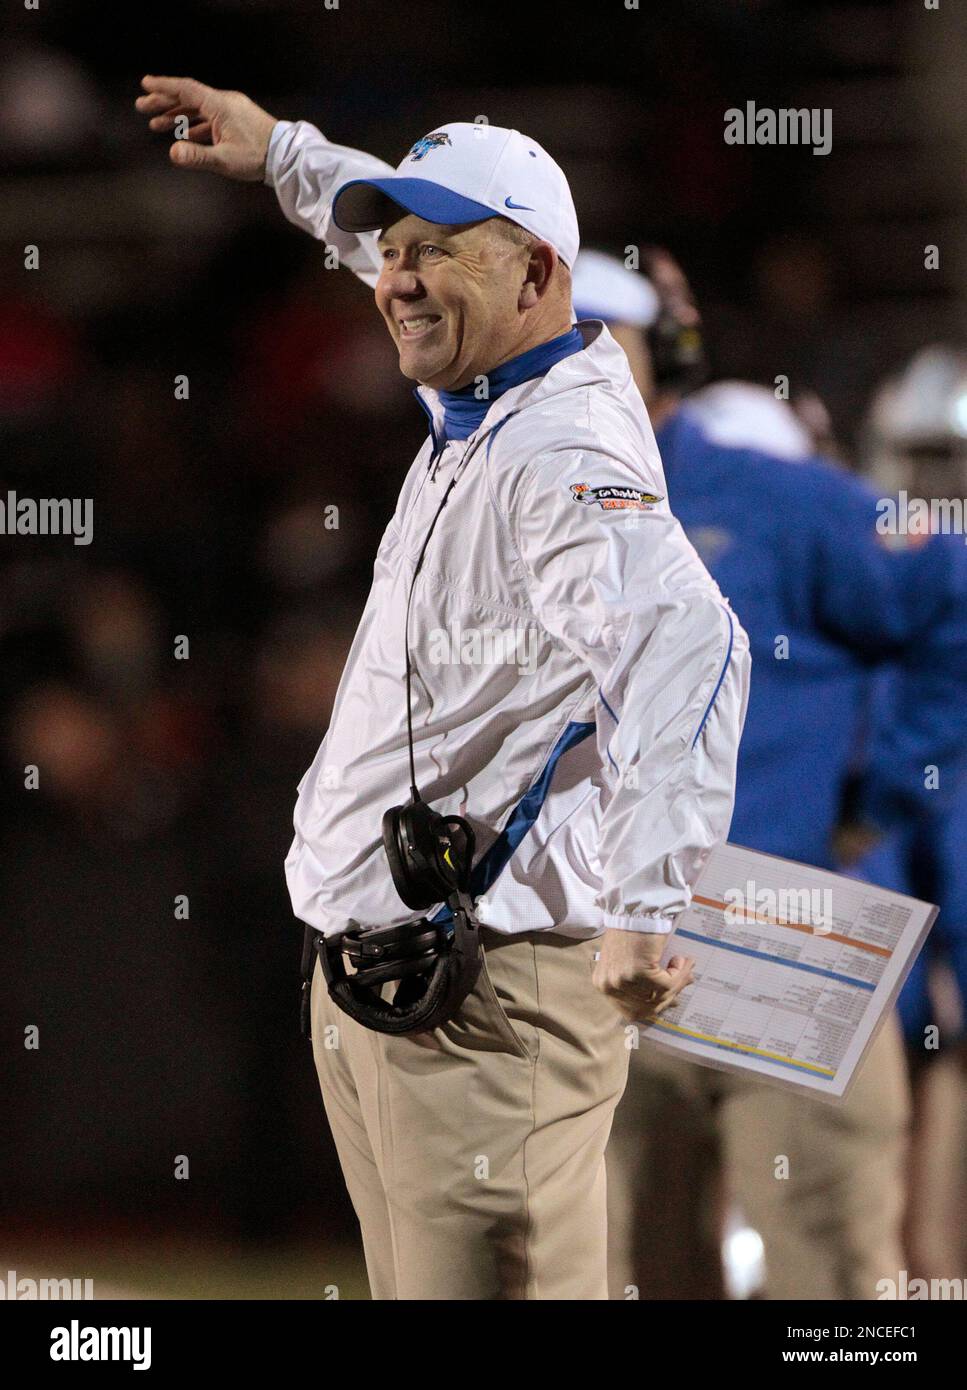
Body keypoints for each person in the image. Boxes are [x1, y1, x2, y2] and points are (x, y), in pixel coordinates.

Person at [135, 77, 751, 1300]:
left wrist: (646, 901)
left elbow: (690, 643)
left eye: (440, 254)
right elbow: (398, 246)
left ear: (538, 278)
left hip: (486, 1004)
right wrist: (284, 158)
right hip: (397, 981)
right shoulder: (490, 391)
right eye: (394, 249)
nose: (399, 278)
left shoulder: (557, 448)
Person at [568, 248, 967, 1300]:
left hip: (779, 916)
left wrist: (876, 789)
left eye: (597, 338)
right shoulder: (490, 500)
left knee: (827, 1289)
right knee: (612, 1276)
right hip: (578, 932)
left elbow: (951, 595)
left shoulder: (775, 495)